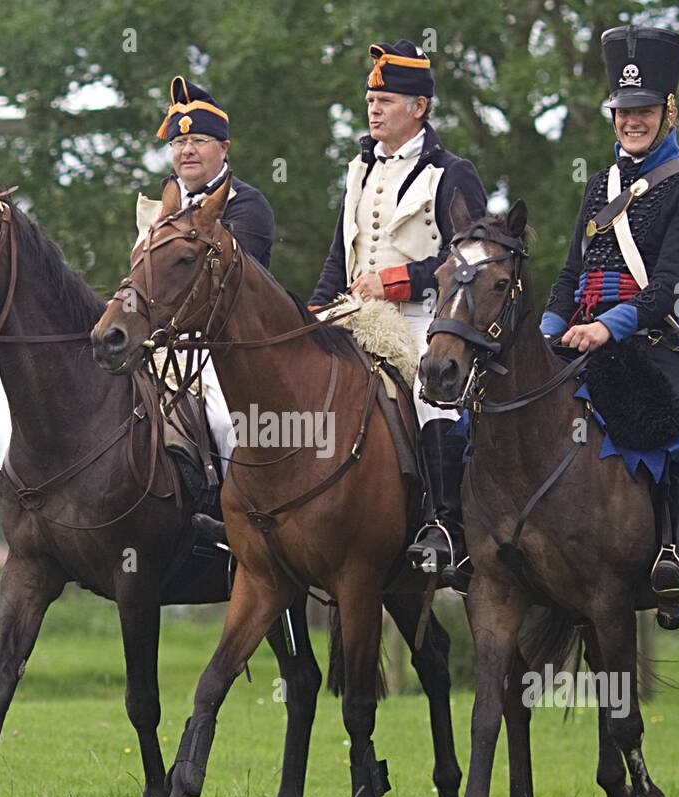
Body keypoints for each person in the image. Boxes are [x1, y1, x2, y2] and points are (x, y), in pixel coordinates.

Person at [540, 24, 679, 628]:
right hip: (583, 337)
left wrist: (609, 327)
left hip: (654, 336)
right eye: (623, 111)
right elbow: (570, 274)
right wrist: (549, 330)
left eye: (643, 110)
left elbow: (670, 285)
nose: (631, 121)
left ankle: (675, 557)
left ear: (668, 111)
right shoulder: (599, 187)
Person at [309, 39, 487, 585]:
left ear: (420, 107)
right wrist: (315, 308)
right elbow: (343, 252)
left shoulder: (453, 172)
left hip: (424, 317)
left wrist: (396, 280)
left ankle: (443, 525)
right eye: (371, 99)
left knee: (431, 397)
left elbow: (470, 257)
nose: (374, 108)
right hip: (352, 312)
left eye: (386, 99)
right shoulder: (357, 169)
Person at [137, 76, 276, 542]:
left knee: (224, 419)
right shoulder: (160, 209)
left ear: (224, 148)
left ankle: (242, 524)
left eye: (198, 140)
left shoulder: (248, 205)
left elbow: (234, 291)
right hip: (158, 343)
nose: (187, 151)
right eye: (179, 142)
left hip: (221, 345)